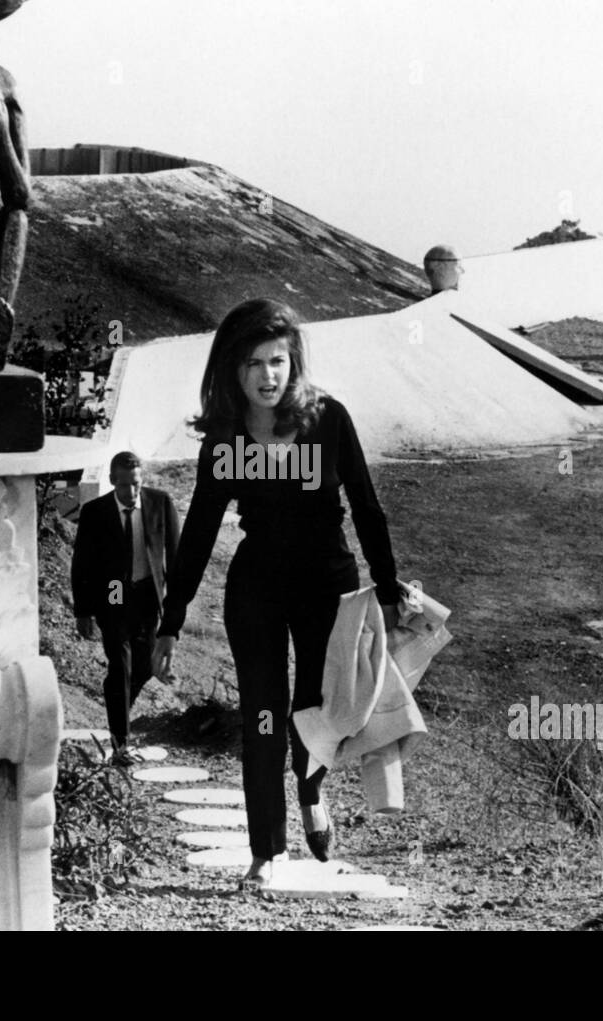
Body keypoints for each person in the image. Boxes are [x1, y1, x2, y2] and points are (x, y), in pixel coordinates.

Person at [151, 299, 400, 888]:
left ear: (294, 363)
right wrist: (171, 620)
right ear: (232, 371)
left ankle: (311, 790)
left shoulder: (327, 419)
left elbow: (365, 506)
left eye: (278, 361)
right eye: (254, 363)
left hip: (326, 582)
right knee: (262, 713)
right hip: (257, 584)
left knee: (310, 710)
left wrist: (388, 588)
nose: (268, 375)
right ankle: (266, 849)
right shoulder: (227, 439)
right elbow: (200, 532)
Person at [72, 451, 181, 766]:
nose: (131, 493)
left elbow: (175, 559)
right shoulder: (95, 512)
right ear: (112, 482)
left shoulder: (160, 503)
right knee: (121, 666)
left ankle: (117, 703)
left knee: (145, 666)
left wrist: (175, 609)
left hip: (148, 595)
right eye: (124, 486)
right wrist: (83, 611)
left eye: (135, 484)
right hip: (114, 594)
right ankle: (120, 745)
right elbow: (82, 564)